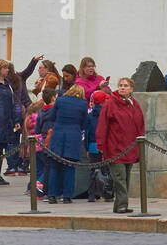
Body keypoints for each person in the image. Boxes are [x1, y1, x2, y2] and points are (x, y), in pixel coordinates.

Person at [97, 78, 146, 214]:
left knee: (126, 177)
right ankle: (122, 204)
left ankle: (119, 205)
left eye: (125, 86)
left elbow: (140, 123)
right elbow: (102, 124)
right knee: (119, 178)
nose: (122, 88)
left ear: (131, 89)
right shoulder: (110, 104)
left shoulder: (134, 104)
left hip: (130, 147)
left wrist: (140, 141)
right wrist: (101, 144)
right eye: (120, 85)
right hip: (115, 148)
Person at [43, 84, 88, 204]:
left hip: (57, 135)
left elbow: (51, 116)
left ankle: (52, 195)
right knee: (70, 167)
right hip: (73, 137)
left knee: (55, 166)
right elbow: (84, 123)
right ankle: (67, 196)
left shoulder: (60, 100)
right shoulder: (83, 104)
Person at [84, 89, 110, 201]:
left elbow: (87, 132)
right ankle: (106, 193)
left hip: (92, 145)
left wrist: (86, 147)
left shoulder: (90, 116)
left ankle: (92, 194)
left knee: (93, 170)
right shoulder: (108, 114)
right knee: (106, 170)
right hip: (105, 145)